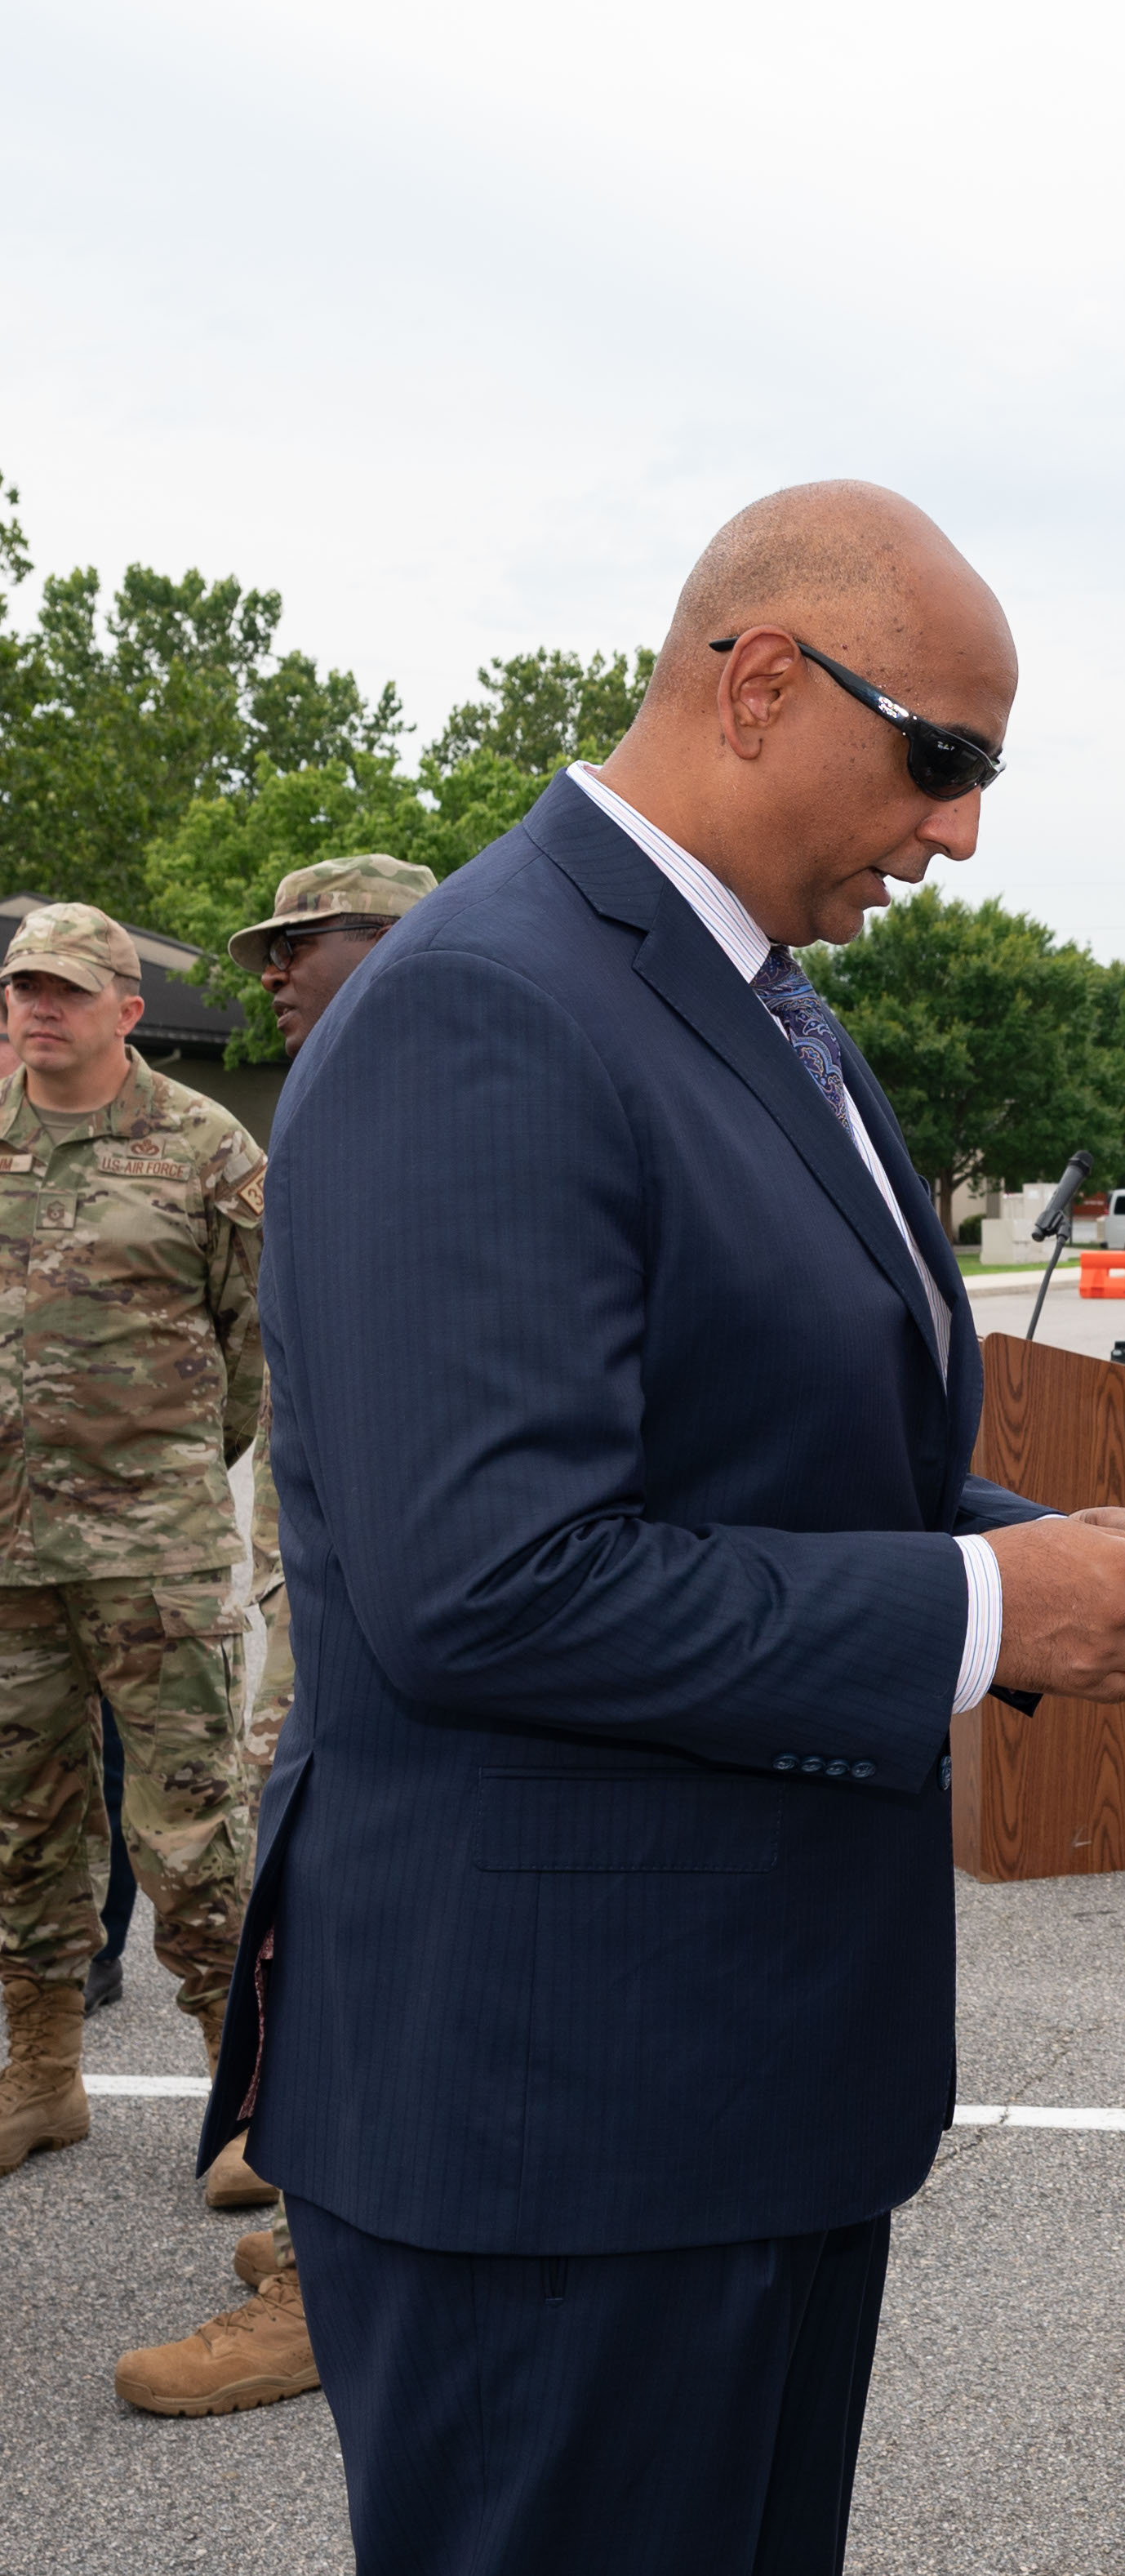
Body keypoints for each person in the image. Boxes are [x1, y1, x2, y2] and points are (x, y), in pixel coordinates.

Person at [198, 483, 1125, 2575]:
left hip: (736, 2083)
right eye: (940, 758)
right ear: (760, 679)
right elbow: (486, 1585)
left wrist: (1043, 1562)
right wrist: (970, 1603)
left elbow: (772, 1450)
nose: (958, 833)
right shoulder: (488, 1004)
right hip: (556, 2116)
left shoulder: (753, 993)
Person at [110, 852, 435, 2419]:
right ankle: (347, 2231)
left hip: (390, 1600)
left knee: (346, 1912)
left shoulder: (429, 1102)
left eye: (307, 946)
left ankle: (331, 2280)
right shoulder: (342, 1100)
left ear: (399, 945)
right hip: (315, 1567)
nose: (275, 976)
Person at [0, 903, 266, 2185]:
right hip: (7, 1553)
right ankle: (44, 2074)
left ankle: (245, 2091)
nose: (38, 1007)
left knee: (190, 1819)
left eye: (64, 988)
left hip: (151, 1551)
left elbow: (252, 1351)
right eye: (22, 988)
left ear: (126, 1007)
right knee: (22, 1818)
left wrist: (164, 1483)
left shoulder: (206, 1146)